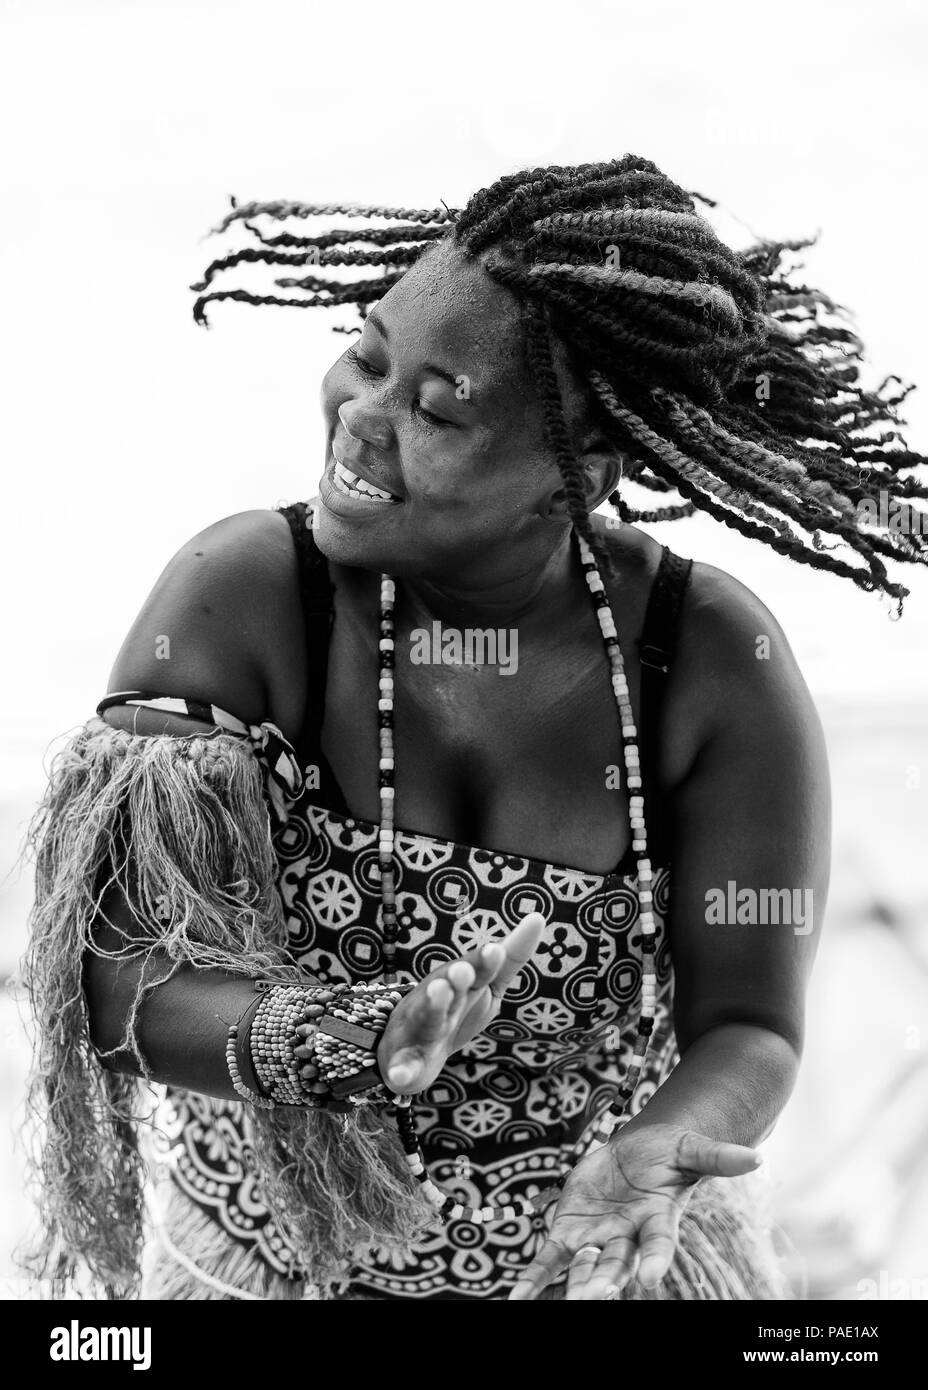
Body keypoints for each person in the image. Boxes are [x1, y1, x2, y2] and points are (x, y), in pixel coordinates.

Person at [22, 156, 928, 1302]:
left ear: (575, 474)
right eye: (366, 355)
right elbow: (119, 982)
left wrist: (657, 1151)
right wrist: (343, 1039)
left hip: (597, 1258)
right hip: (269, 1258)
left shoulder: (705, 664)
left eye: (437, 409)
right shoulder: (247, 596)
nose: (361, 419)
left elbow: (749, 1021)